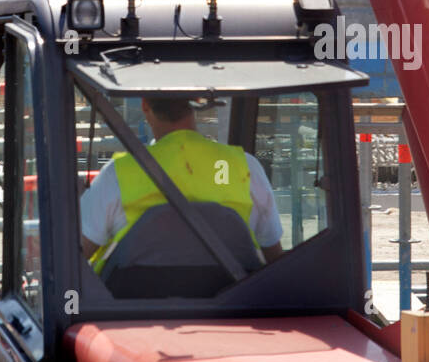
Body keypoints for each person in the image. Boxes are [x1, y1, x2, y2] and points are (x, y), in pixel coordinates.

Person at [80, 96, 284, 273]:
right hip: (233, 309)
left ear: (144, 105)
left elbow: (79, 253)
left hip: (132, 311)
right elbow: (274, 256)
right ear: (194, 103)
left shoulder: (118, 173)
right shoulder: (245, 167)